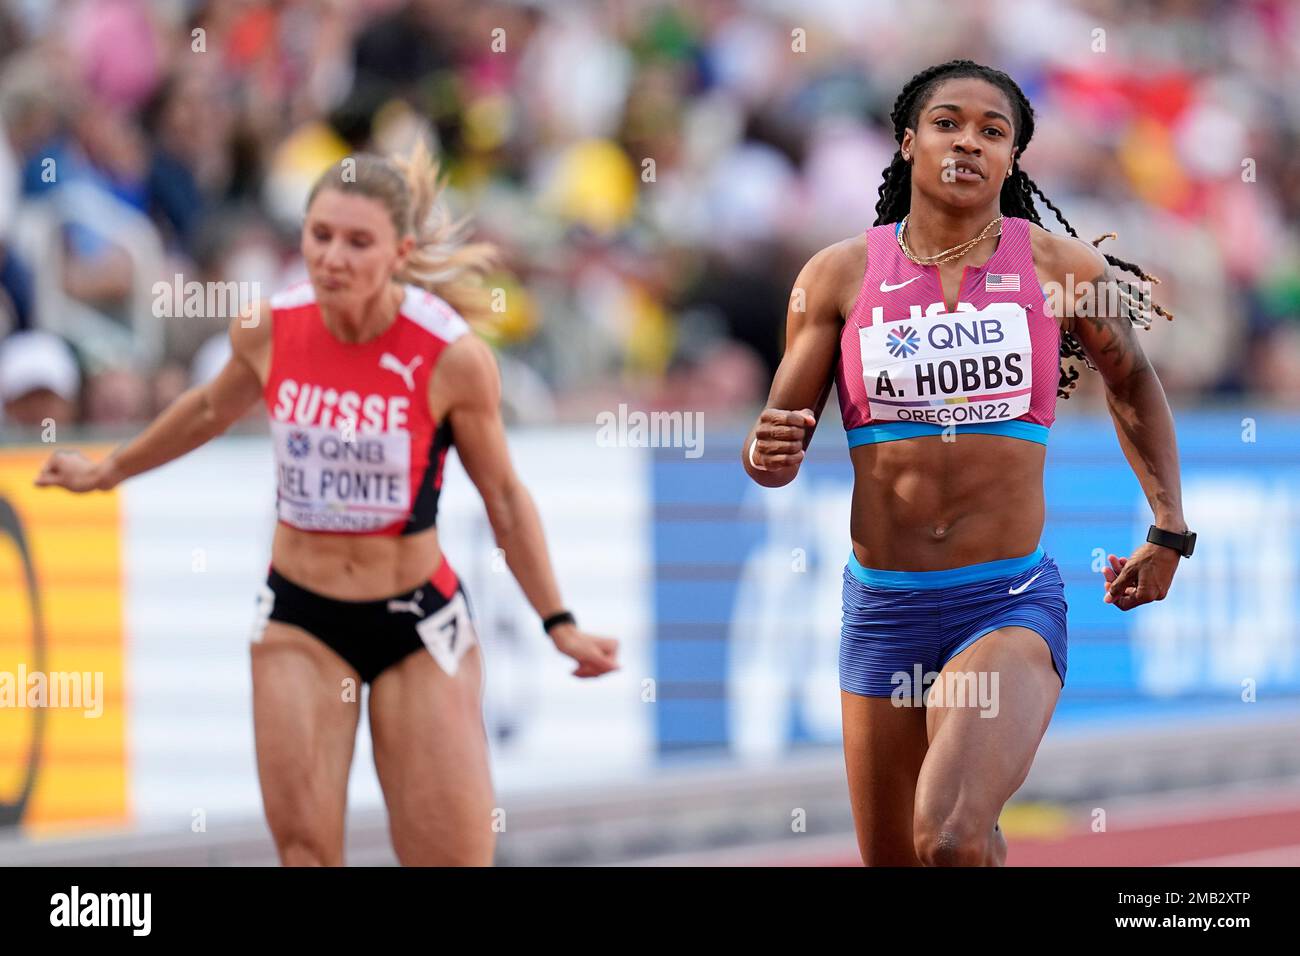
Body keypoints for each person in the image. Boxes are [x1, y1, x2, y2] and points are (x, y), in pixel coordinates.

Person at [35, 143, 620, 866]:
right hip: (300, 619)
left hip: (417, 620)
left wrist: (558, 621)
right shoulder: (270, 329)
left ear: (400, 252)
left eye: (357, 242)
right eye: (320, 236)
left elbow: (502, 495)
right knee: (306, 854)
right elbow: (206, 411)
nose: (333, 258)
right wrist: (108, 471)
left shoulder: (451, 357)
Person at [742, 60, 1194, 867]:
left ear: (1013, 159)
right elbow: (780, 437)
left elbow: (1134, 385)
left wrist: (1169, 528)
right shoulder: (836, 276)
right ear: (909, 140)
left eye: (994, 132)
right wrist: (764, 454)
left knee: (947, 838)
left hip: (1005, 602)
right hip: (883, 611)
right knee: (905, 860)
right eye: (949, 122)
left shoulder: (1063, 272)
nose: (969, 142)